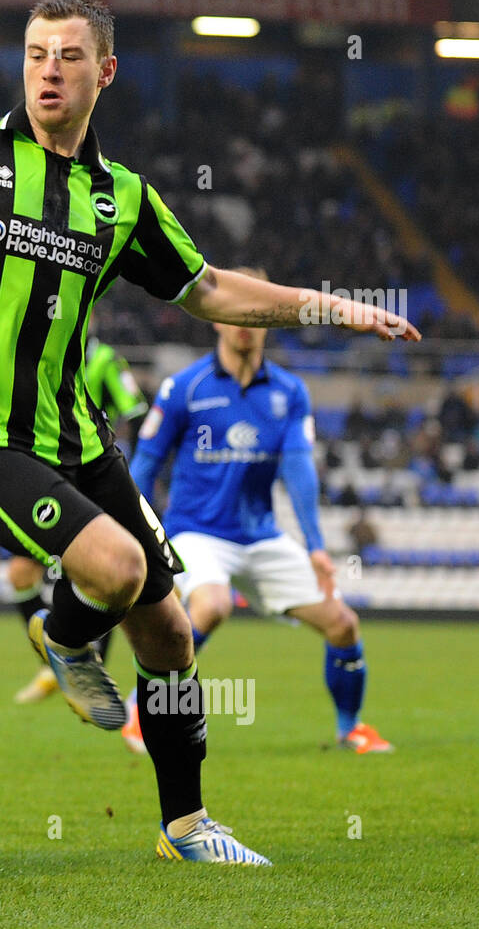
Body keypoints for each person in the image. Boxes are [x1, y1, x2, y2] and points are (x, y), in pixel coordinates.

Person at [0, 0, 417, 864]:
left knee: (173, 635)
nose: (48, 71)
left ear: (104, 72)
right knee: (117, 566)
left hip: (79, 440)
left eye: (69, 56)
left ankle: (186, 824)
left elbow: (211, 290)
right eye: (36, 54)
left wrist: (330, 306)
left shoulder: (121, 199)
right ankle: (66, 634)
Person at [130, 281, 393, 755]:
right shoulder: (185, 387)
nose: (245, 324)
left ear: (269, 321)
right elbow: (144, 466)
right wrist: (134, 535)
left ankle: (350, 728)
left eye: (257, 315)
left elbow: (298, 471)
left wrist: (315, 546)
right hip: (196, 533)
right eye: (237, 313)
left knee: (343, 625)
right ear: (217, 317)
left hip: (260, 537)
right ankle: (139, 710)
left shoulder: (290, 392)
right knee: (212, 606)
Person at [12, 335, 148, 705]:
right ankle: (58, 661)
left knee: (100, 575)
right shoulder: (37, 349)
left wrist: (124, 474)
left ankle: (87, 662)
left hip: (91, 479)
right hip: (44, 478)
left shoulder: (106, 359)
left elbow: (135, 411)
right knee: (20, 574)